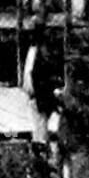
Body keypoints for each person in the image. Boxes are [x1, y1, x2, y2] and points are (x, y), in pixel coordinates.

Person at [22, 12, 60, 146]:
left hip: (39, 95)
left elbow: (38, 74)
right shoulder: (36, 49)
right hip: (36, 94)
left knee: (40, 127)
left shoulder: (41, 50)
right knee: (38, 126)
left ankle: (41, 149)